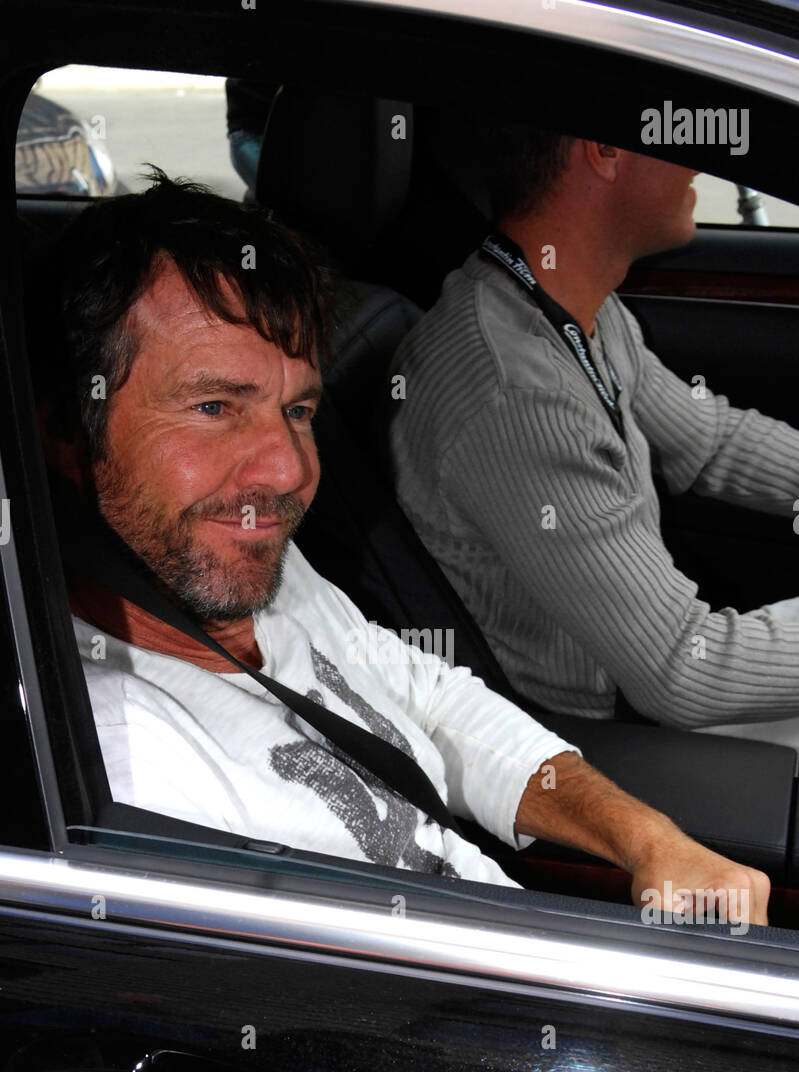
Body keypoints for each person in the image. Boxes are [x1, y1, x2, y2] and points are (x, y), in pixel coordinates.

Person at [27, 170, 769, 921]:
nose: (289, 469)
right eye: (213, 406)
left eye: (297, 408)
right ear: (63, 433)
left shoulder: (239, 563)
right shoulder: (128, 762)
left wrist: (647, 840)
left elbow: (429, 698)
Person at [387, 125, 799, 747]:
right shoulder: (520, 397)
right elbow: (681, 669)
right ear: (603, 150)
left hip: (629, 696)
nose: (698, 161)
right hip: (590, 743)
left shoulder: (567, 303)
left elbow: (709, 439)